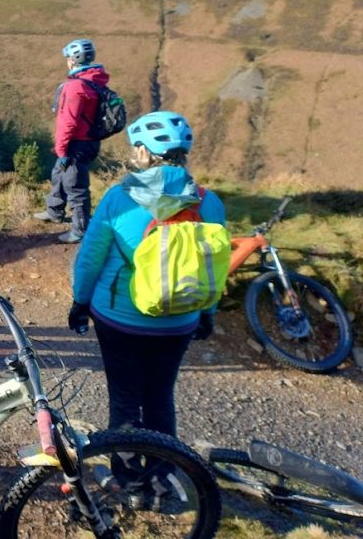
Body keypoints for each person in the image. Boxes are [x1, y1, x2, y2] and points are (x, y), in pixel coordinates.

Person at [67, 111, 223, 499]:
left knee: (124, 399)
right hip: (181, 320)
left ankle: (128, 478)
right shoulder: (210, 202)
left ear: (143, 151)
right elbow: (212, 265)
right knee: (160, 396)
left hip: (119, 318)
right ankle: (163, 474)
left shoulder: (120, 198)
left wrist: (80, 301)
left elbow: (91, 257)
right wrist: (207, 312)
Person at [34, 39, 111, 243]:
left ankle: (80, 229)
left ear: (72, 60)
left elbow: (68, 122)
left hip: (76, 144)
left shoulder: (76, 87)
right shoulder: (95, 81)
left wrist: (61, 149)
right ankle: (54, 211)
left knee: (75, 186)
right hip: (90, 141)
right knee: (59, 174)